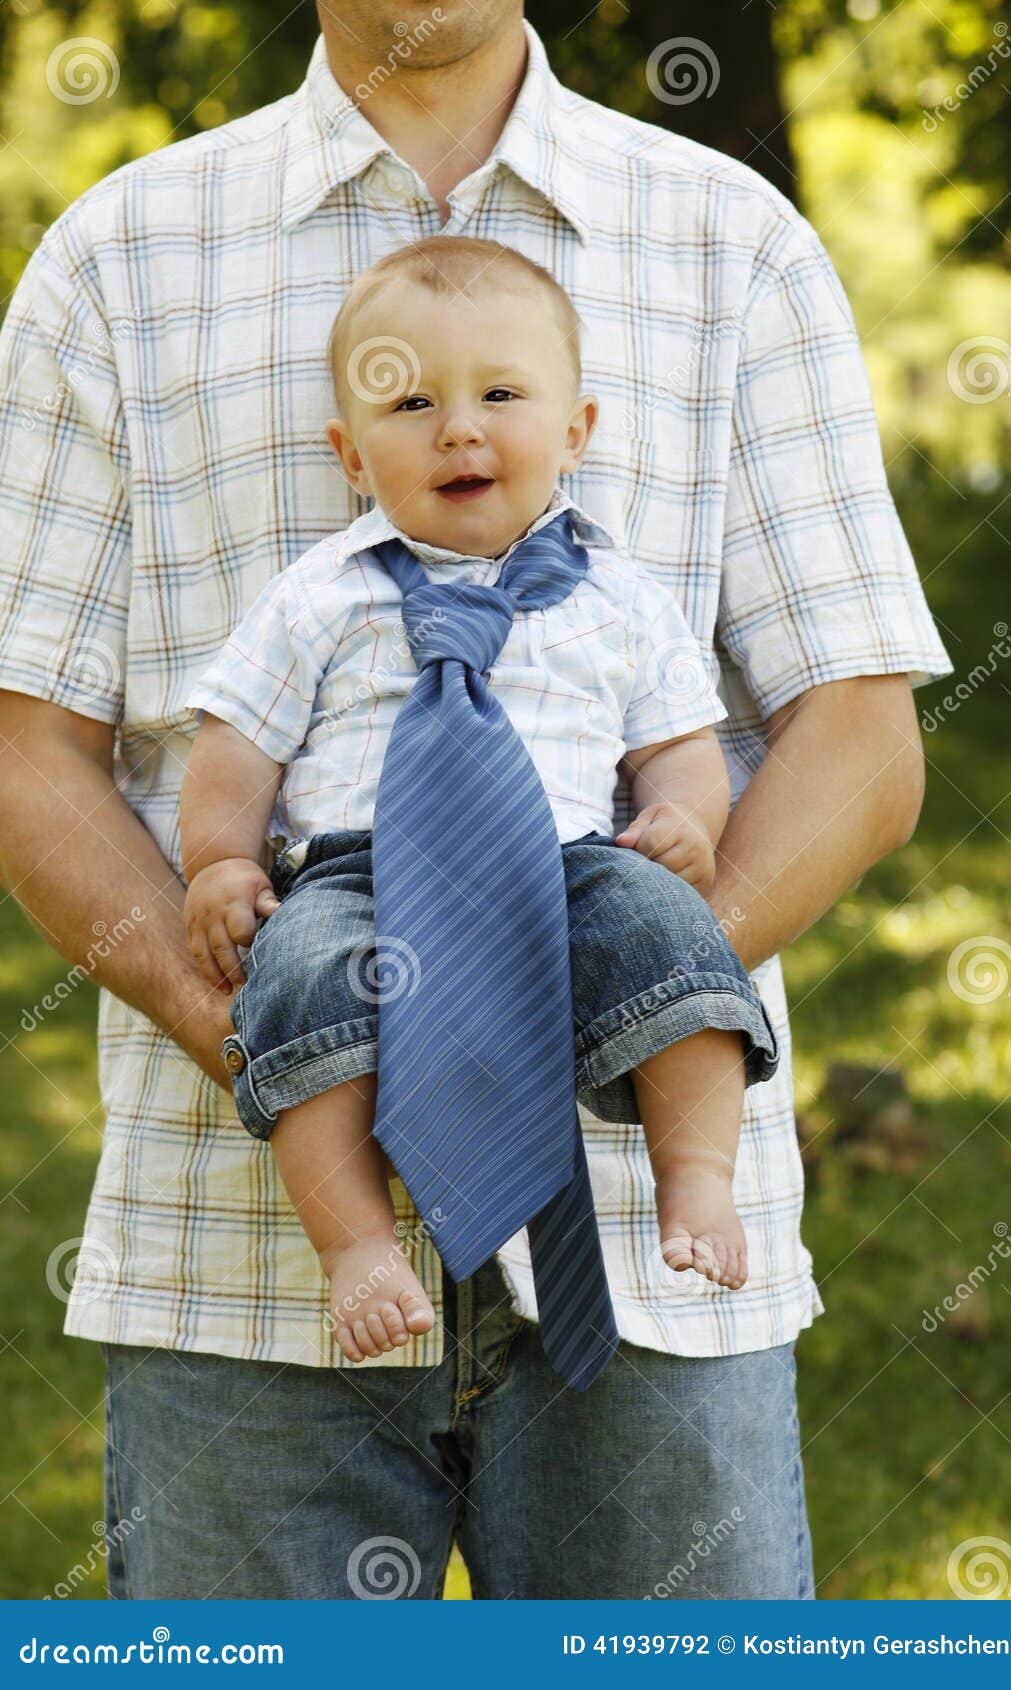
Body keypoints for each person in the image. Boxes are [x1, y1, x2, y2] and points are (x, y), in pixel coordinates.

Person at [0, 2, 952, 1599]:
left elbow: (859, 738)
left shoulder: (732, 246)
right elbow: (28, 747)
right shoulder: (118, 260)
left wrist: (620, 984)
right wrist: (278, 1038)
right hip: (246, 1249)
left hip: (646, 1241)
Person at [179, 236, 781, 1367]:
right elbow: (234, 748)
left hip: (569, 862)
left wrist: (686, 823)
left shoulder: (619, 597)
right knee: (301, 982)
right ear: (351, 455)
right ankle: (357, 1243)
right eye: (410, 403)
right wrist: (220, 861)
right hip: (363, 870)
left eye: (499, 394)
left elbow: (679, 748)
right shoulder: (319, 597)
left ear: (574, 432)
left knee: (676, 939)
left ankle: (696, 1179)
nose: (458, 427)